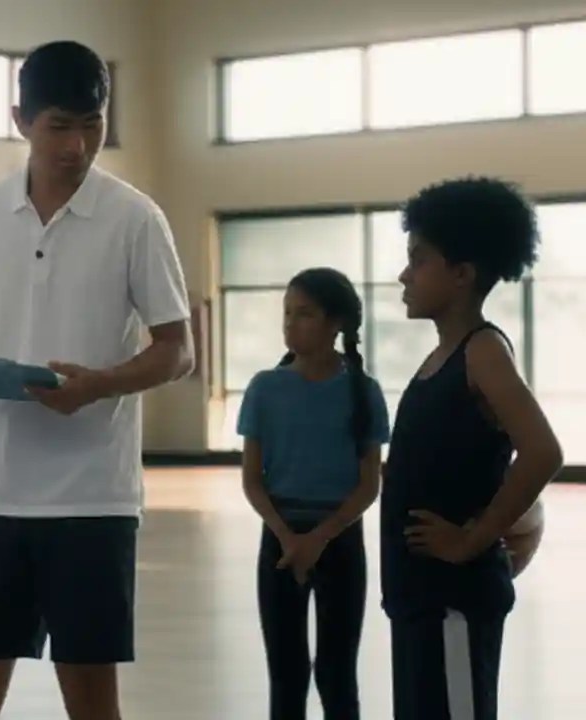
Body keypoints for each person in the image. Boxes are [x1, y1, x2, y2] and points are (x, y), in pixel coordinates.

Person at [0, 40, 193, 720]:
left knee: (91, 703)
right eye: (59, 126)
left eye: (92, 125)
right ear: (21, 119)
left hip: (93, 502)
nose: (77, 145)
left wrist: (99, 384)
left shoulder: (136, 219)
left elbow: (178, 350)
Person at [382, 177, 562, 720]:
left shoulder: (482, 351)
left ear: (462, 274)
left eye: (418, 260)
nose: (403, 275)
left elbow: (542, 451)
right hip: (419, 602)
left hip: (452, 601)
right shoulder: (441, 356)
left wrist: (471, 540)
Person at [237, 268, 389, 720]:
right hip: (279, 540)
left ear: (335, 322)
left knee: (337, 673)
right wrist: (287, 536)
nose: (290, 323)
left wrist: (320, 537)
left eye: (304, 314)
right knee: (286, 673)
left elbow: (368, 484)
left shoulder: (364, 392)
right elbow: (252, 479)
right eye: (287, 313)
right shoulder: (265, 388)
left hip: (339, 539)